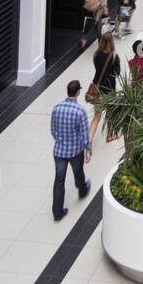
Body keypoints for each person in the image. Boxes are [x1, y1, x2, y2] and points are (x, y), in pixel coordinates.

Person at [50, 80, 91, 222]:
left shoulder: (56, 108)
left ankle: (57, 213)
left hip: (59, 151)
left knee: (59, 181)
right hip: (75, 151)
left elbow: (53, 131)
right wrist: (88, 149)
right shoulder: (80, 111)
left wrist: (61, 140)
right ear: (78, 92)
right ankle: (82, 190)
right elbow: (85, 135)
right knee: (78, 172)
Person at [87, 33, 120, 146]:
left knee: (97, 116)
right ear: (112, 42)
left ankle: (89, 140)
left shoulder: (96, 55)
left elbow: (97, 69)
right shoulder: (114, 56)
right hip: (109, 89)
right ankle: (110, 135)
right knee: (110, 114)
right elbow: (117, 73)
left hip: (98, 88)